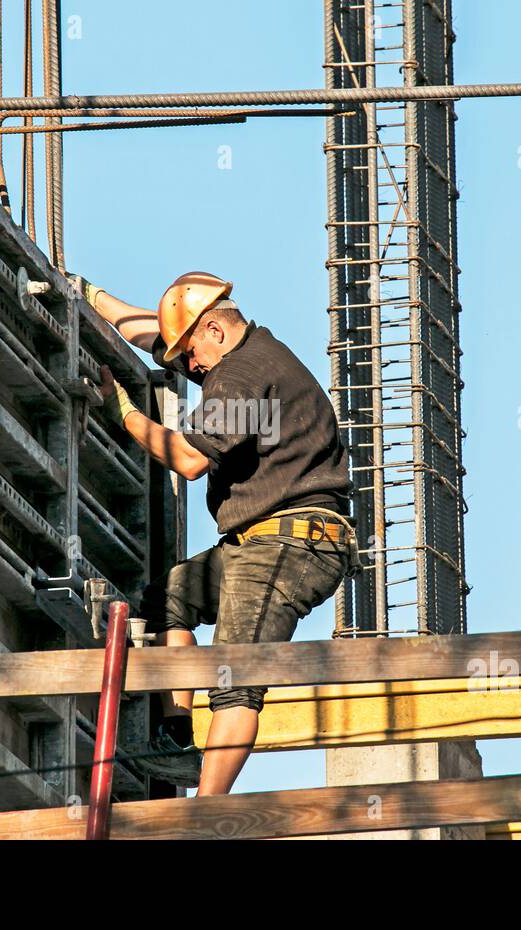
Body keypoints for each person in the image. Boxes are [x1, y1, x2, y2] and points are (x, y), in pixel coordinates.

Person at [72, 270, 355, 795]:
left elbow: (187, 459)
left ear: (216, 332)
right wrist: (93, 297)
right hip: (276, 540)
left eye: (192, 355)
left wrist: (124, 413)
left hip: (288, 542)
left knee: (234, 678)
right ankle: (179, 737)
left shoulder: (239, 378)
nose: (189, 368)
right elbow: (156, 337)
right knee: (167, 602)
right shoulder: (253, 356)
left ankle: (207, 810)